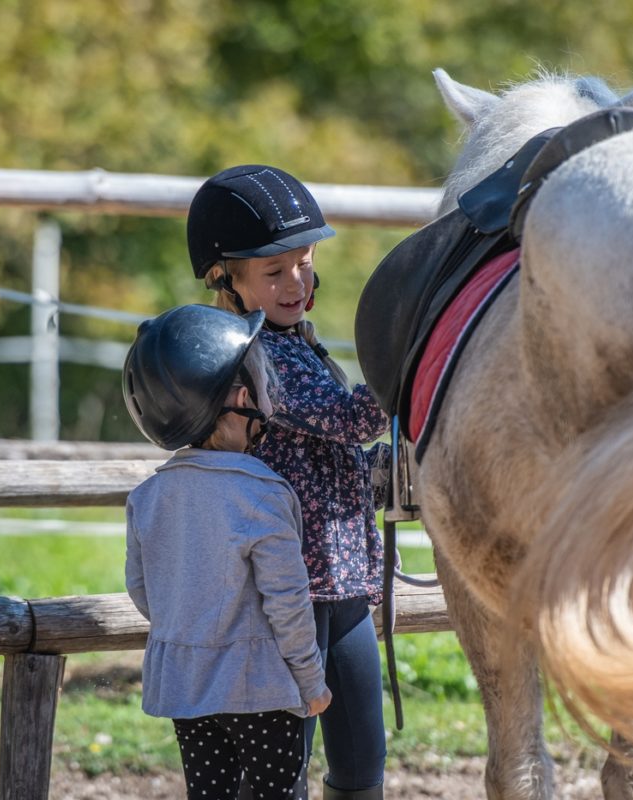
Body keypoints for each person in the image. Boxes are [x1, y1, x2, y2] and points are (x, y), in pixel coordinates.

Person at [187, 165, 390, 800]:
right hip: (286, 594)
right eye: (274, 272)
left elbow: (335, 453)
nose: (296, 281)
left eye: (303, 262)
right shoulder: (257, 356)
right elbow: (350, 420)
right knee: (281, 772)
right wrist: (409, 363)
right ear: (229, 279)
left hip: (344, 578)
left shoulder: (301, 342)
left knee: (362, 764)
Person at [122, 303, 332, 800]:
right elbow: (287, 600)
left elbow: (141, 588)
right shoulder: (263, 492)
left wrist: (190, 633)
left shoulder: (148, 496)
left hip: (185, 689)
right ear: (242, 397)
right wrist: (310, 680)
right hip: (259, 690)